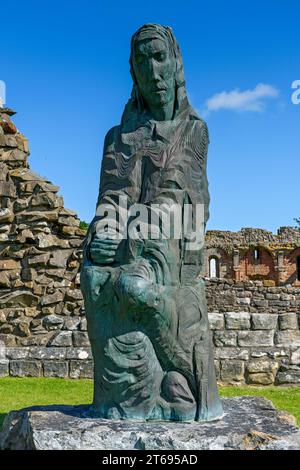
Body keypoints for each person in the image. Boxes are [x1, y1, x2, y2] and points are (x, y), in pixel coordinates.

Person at [81, 23, 223, 422]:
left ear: (176, 65)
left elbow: (178, 199)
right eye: (142, 61)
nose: (152, 71)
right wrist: (102, 235)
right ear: (132, 72)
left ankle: (183, 383)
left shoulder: (193, 131)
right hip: (133, 242)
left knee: (134, 284)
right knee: (95, 277)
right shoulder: (117, 137)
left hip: (171, 249)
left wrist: (131, 242)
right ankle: (131, 397)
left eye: (160, 58)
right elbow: (112, 195)